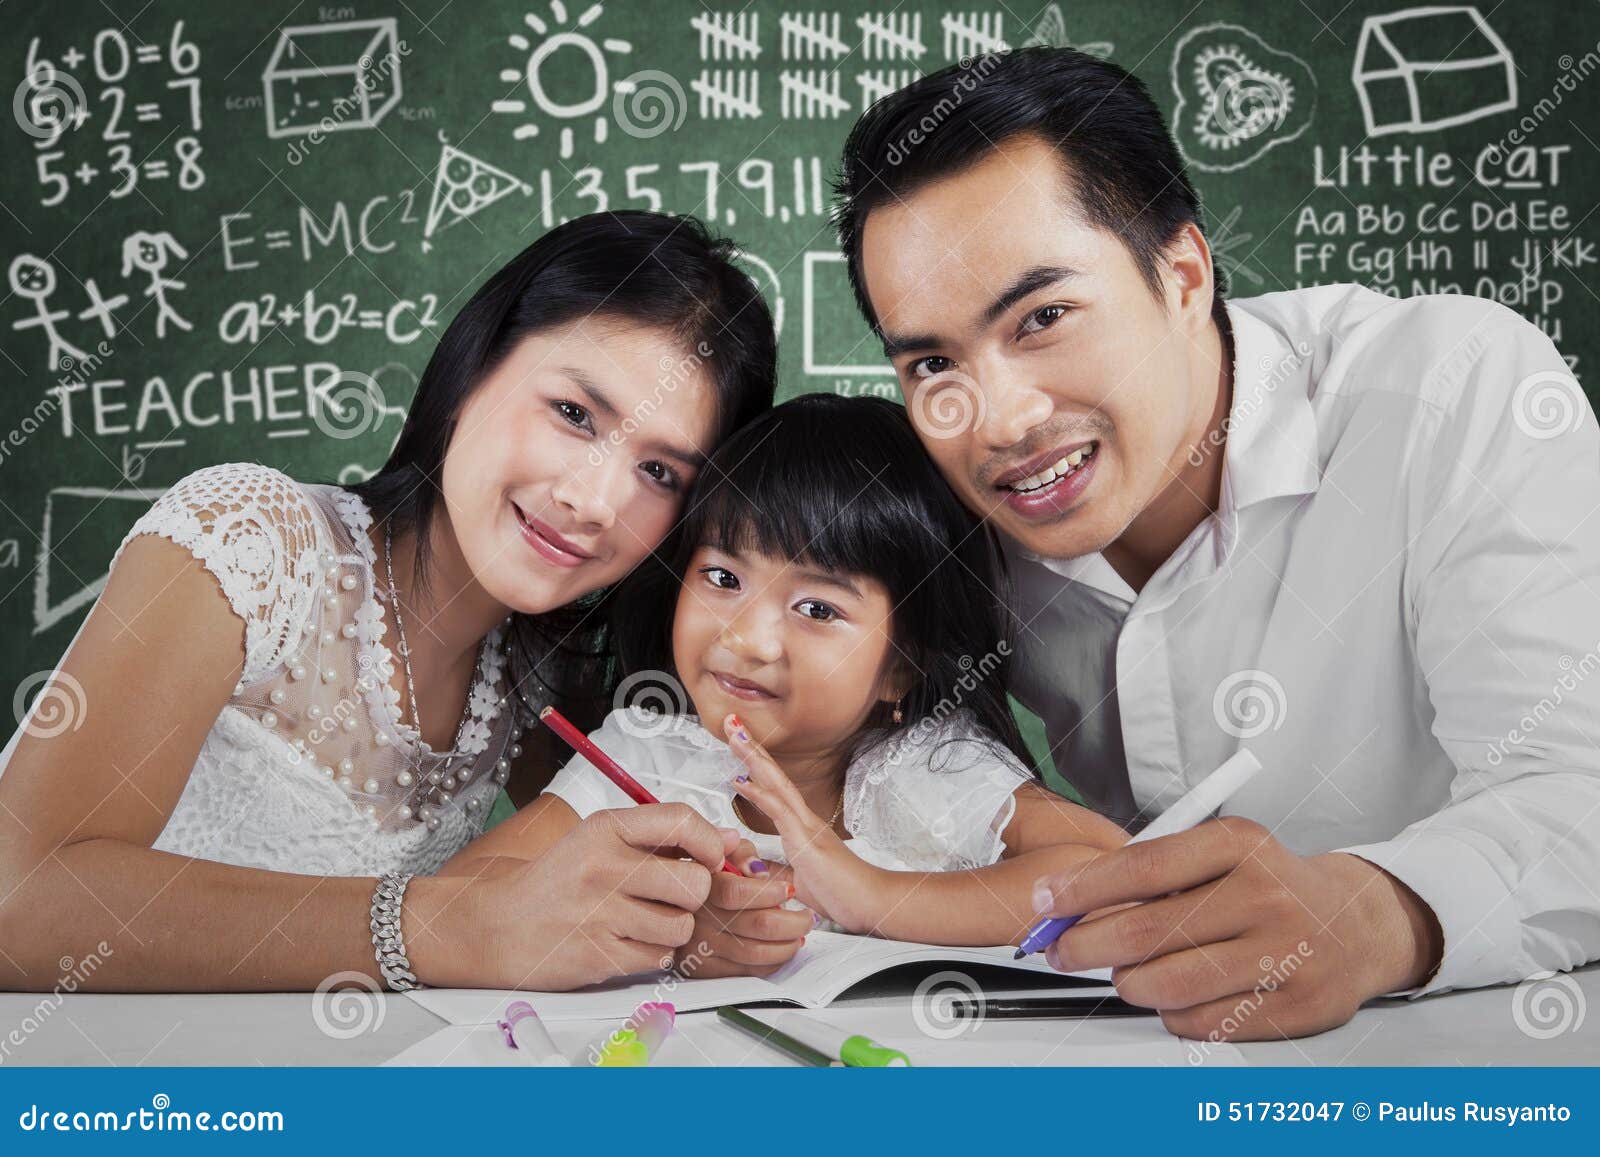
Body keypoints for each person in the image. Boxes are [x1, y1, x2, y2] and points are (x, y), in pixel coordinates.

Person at [831, 47, 1600, 1039]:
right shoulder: (936, 522)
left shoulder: (1449, 387)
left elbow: (1579, 792)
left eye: (1044, 317)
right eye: (932, 362)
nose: (999, 421)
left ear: (1183, 274)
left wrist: (1375, 916)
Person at [0, 211, 777, 994]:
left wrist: (680, 920)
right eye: (575, 415)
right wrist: (438, 925)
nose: (594, 500)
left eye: (659, 473)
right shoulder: (249, 541)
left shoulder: (539, 676)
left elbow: (573, 897)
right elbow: (18, 899)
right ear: (472, 369)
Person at [443, 394, 1126, 975]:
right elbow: (459, 898)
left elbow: (1109, 866)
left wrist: (867, 893)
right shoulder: (650, 755)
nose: (746, 639)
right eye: (722, 578)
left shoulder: (926, 765)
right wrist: (658, 928)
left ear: (901, 665)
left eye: (817, 609)